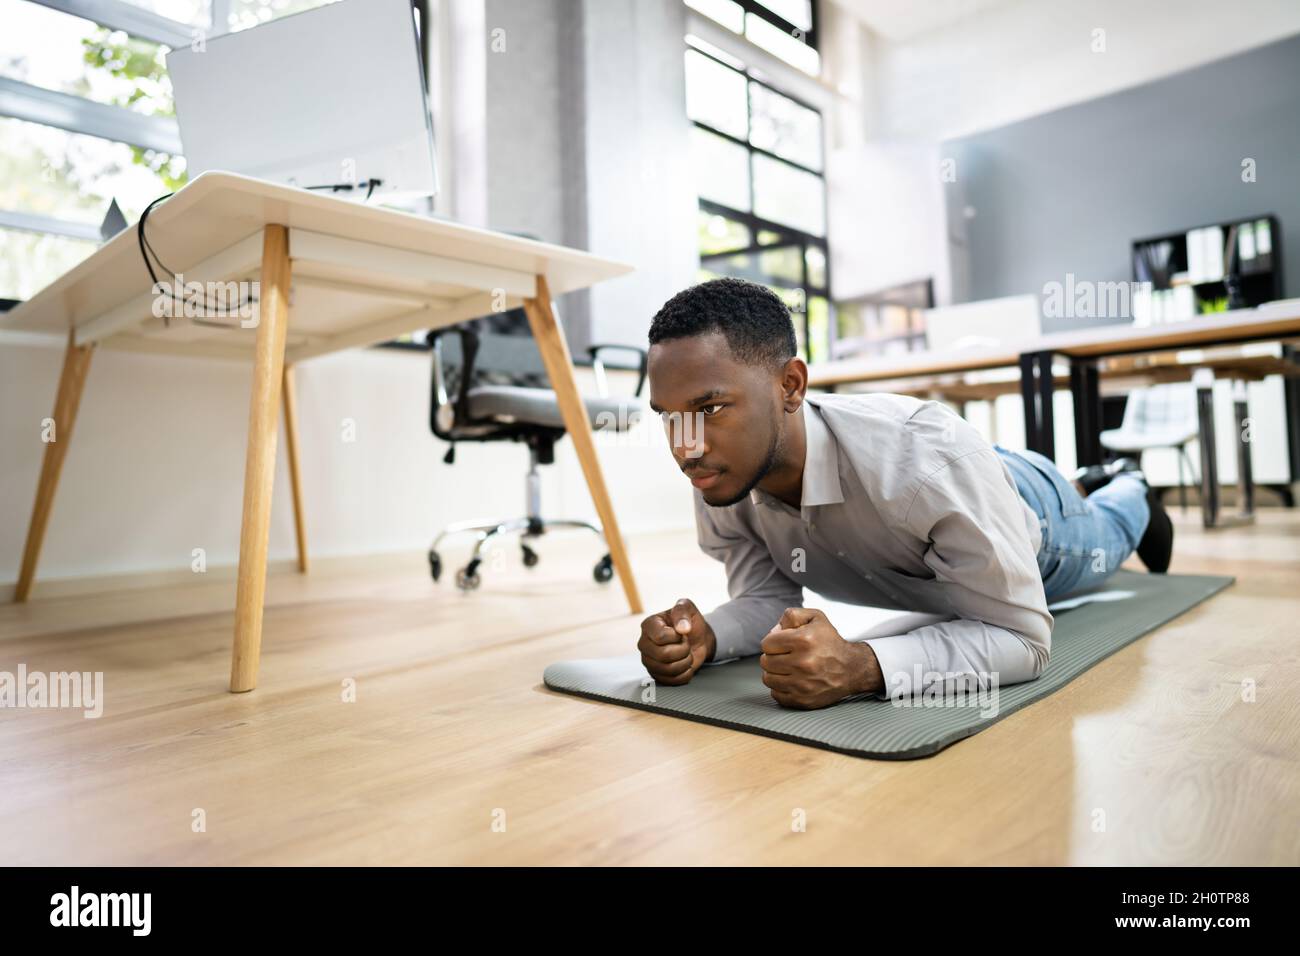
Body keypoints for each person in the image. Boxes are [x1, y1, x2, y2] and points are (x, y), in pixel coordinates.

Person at [636, 278, 1173, 709]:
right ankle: (1091, 474)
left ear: (791, 387)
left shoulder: (922, 459)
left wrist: (860, 666)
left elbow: (1024, 641)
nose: (686, 448)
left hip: (1038, 517)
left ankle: (1129, 484)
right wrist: (709, 635)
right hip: (969, 483)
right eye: (670, 417)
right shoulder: (723, 471)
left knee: (1110, 525)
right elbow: (766, 601)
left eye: (709, 409)